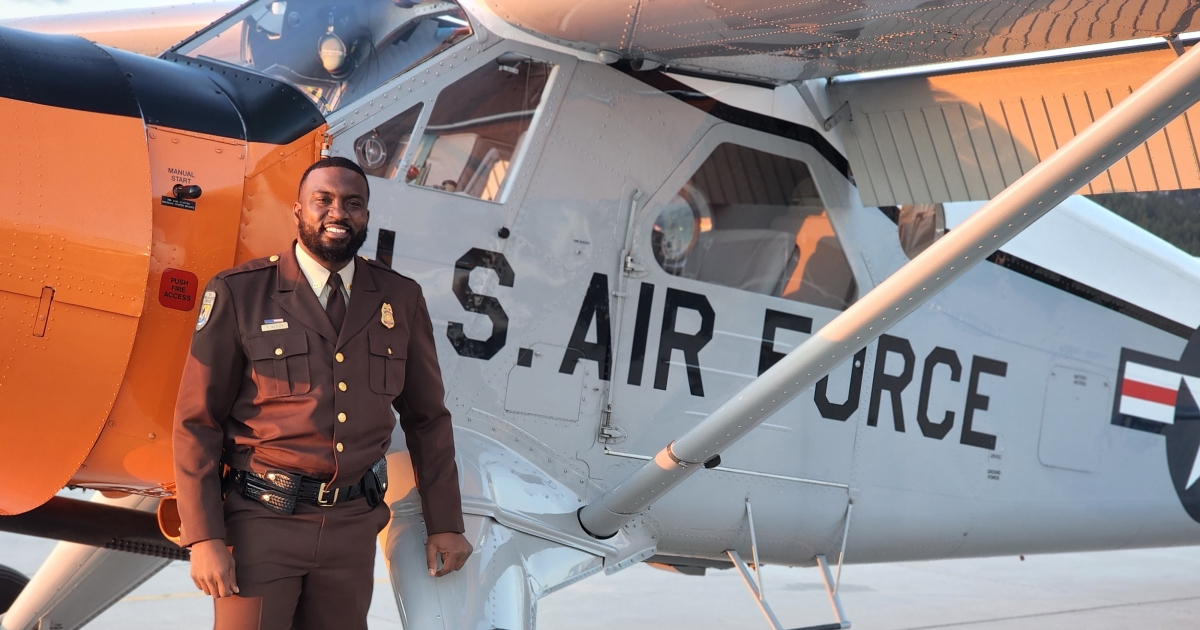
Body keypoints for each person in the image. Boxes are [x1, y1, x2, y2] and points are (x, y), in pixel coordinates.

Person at [173, 156, 472, 630]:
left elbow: (428, 419)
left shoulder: (401, 299)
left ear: (367, 217)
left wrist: (446, 524)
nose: (339, 213)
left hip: (352, 529)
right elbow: (197, 422)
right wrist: (204, 538)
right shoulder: (241, 293)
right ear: (297, 210)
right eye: (324, 200)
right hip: (261, 524)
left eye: (353, 204)